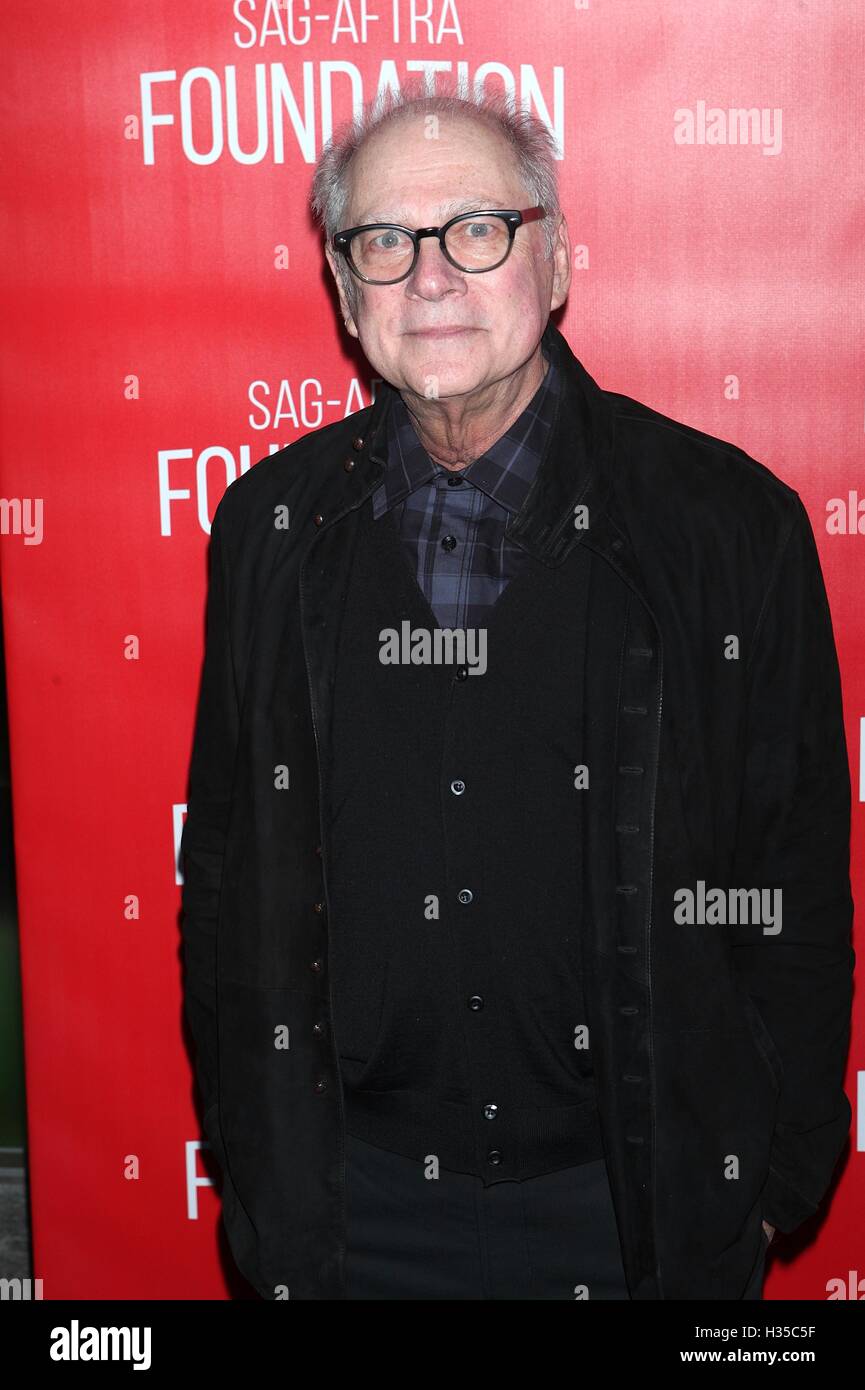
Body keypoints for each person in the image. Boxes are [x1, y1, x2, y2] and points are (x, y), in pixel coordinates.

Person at [179, 81, 854, 1300]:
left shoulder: (725, 530)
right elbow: (227, 876)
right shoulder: (267, 533)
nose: (429, 276)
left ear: (554, 266)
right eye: (384, 241)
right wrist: (253, 1149)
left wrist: (769, 1184)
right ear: (343, 291)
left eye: (477, 229)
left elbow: (788, 885)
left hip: (633, 1211)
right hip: (347, 1217)